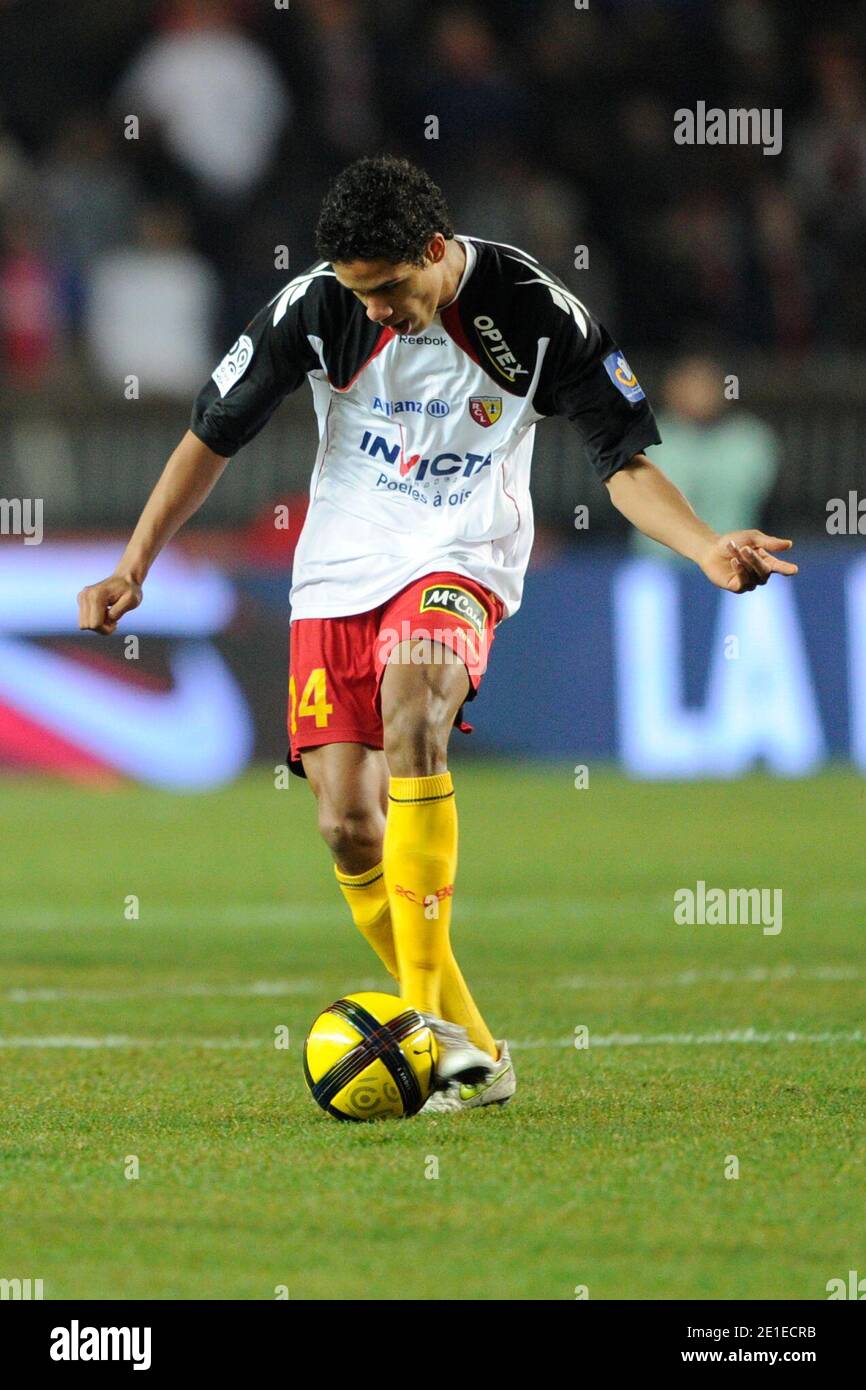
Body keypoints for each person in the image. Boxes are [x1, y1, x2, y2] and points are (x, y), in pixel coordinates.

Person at [77, 155, 798, 1113]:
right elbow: (213, 435)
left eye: (387, 290)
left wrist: (705, 546)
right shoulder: (316, 307)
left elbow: (624, 460)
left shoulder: (536, 315)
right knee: (345, 824)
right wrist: (135, 563)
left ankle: (416, 1018)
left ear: (432, 251)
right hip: (339, 567)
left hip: (461, 554)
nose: (373, 309)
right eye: (356, 293)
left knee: (412, 705)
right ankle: (473, 1048)